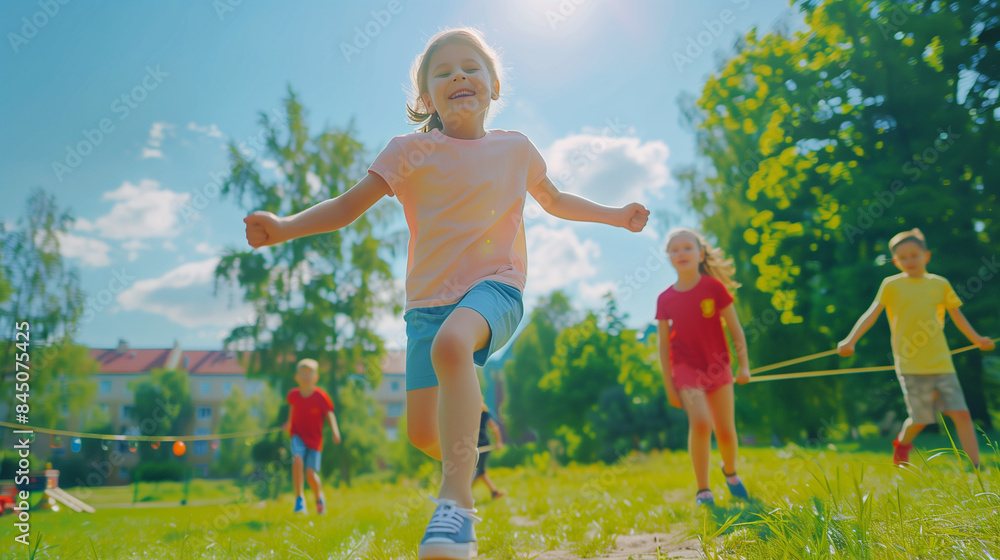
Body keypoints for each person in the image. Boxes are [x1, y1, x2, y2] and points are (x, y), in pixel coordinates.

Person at [243, 27, 648, 558]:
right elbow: (346, 207)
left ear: (494, 84)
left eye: (471, 67)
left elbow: (555, 200)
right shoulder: (408, 153)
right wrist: (283, 226)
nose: (459, 74)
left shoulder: (516, 149)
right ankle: (466, 446)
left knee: (453, 347)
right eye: (443, 72)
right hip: (425, 307)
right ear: (425, 98)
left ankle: (455, 508)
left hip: (494, 289)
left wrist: (616, 216)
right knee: (421, 434)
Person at [838, 228, 995, 469]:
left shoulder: (939, 284)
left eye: (915, 255)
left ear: (927, 256)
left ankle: (975, 465)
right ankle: (902, 444)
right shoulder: (891, 285)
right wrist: (850, 340)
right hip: (911, 363)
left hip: (942, 362)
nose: (910, 260)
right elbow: (871, 314)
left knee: (961, 413)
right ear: (896, 261)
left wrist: (977, 339)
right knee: (921, 419)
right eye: (904, 257)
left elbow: (958, 316)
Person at [655, 228, 750, 507]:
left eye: (687, 247)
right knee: (700, 422)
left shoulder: (714, 288)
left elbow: (735, 330)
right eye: (674, 249)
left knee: (725, 430)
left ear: (700, 253)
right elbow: (662, 347)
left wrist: (744, 366)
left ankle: (730, 473)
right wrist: (670, 386)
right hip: (685, 369)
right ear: (668, 257)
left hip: (718, 367)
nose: (680, 253)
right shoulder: (664, 299)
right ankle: (703, 490)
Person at [282, 358, 342, 515]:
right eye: (303, 373)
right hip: (297, 435)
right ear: (297, 377)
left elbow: (330, 414)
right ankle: (299, 499)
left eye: (310, 373)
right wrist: (288, 423)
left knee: (310, 473)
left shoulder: (321, 397)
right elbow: (292, 410)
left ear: (316, 377)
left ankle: (318, 496)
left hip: (315, 440)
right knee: (297, 459)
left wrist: (335, 431)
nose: (306, 376)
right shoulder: (293, 395)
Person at [472, 402, 504, 500]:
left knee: (478, 471)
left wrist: (499, 442)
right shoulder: (471, 413)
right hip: (474, 446)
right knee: (481, 472)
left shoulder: (484, 413)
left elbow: (495, 427)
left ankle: (462, 494)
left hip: (483, 447)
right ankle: (494, 492)